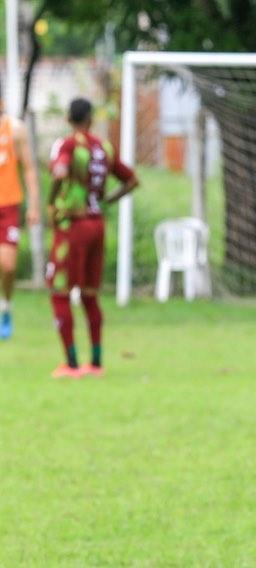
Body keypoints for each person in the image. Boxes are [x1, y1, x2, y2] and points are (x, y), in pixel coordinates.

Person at [47, 98, 139, 378]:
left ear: (68, 118)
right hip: (97, 224)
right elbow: (131, 180)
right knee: (89, 295)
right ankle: (96, 363)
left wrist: (52, 203)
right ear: (90, 118)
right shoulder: (104, 147)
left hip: (73, 225)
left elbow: (61, 171)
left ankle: (71, 364)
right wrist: (106, 200)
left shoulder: (69, 144)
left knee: (59, 292)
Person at [0, 90, 41, 340]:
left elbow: (29, 169)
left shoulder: (15, 130)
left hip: (8, 206)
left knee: (8, 264)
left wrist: (34, 205)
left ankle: (6, 306)